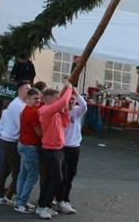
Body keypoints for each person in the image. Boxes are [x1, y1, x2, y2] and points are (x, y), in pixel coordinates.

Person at [35, 84, 76, 219]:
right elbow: (63, 101)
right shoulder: (45, 110)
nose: (58, 101)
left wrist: (64, 109)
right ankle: (44, 207)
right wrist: (69, 88)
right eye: (56, 98)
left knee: (54, 178)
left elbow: (65, 122)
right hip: (50, 149)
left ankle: (43, 205)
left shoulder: (56, 113)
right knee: (56, 179)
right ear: (48, 100)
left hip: (58, 149)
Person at [0, 82, 29, 204]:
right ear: (19, 90)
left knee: (6, 167)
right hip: (9, 140)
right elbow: (21, 125)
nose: (29, 90)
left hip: (8, 138)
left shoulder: (21, 104)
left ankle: (1, 195)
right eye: (27, 88)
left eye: (30, 88)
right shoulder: (17, 105)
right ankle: (17, 197)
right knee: (16, 170)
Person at [56, 86, 88, 215]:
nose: (71, 101)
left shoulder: (76, 111)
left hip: (74, 146)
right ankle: (60, 199)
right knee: (63, 174)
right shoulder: (62, 111)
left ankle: (65, 198)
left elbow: (84, 106)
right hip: (63, 146)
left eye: (73, 99)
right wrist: (67, 94)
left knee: (71, 174)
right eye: (70, 99)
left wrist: (76, 93)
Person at [12, 87, 43, 214]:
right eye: (36, 98)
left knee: (23, 174)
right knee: (33, 175)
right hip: (30, 146)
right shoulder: (31, 112)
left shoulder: (27, 109)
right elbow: (39, 132)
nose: (38, 101)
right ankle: (21, 202)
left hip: (23, 144)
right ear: (29, 98)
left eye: (39, 98)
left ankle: (20, 200)